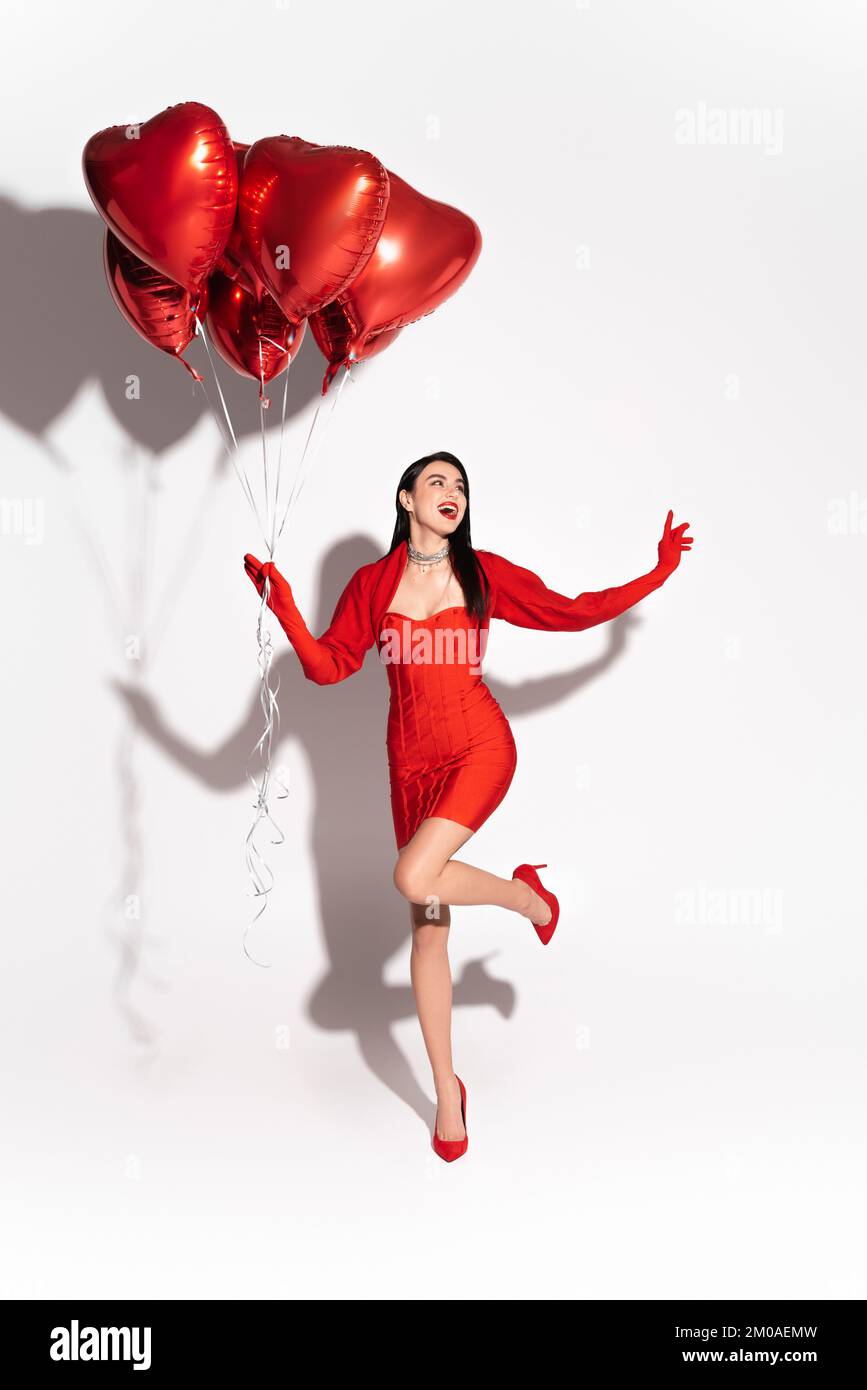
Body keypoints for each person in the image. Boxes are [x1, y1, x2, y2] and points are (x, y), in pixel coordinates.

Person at [244, 450, 693, 1161]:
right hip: (407, 767)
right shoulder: (372, 583)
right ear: (405, 498)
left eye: (459, 484)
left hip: (479, 746)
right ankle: (447, 1093)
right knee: (428, 932)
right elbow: (328, 667)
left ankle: (525, 899)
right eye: (436, 482)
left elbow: (571, 613)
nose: (451, 492)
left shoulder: (482, 574)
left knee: (413, 875)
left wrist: (657, 572)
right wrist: (288, 611)